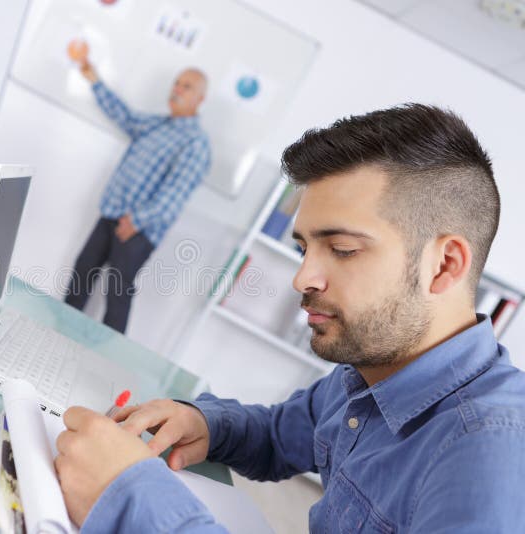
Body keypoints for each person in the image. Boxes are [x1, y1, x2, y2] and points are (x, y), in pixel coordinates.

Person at [53, 104, 525, 532]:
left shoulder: (489, 453)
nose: (302, 278)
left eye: (342, 250)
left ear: (443, 265)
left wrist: (129, 497)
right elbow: (279, 434)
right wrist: (205, 422)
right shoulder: (372, 368)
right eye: (303, 249)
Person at [63, 43, 211, 333]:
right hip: (111, 214)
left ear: (200, 98)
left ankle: (106, 362)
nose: (177, 90)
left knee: (117, 295)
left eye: (187, 87)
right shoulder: (157, 124)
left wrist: (136, 221)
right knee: (82, 273)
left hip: (137, 229)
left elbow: (174, 197)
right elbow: (125, 117)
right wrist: (93, 78)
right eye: (177, 84)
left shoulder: (196, 143)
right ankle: (57, 331)